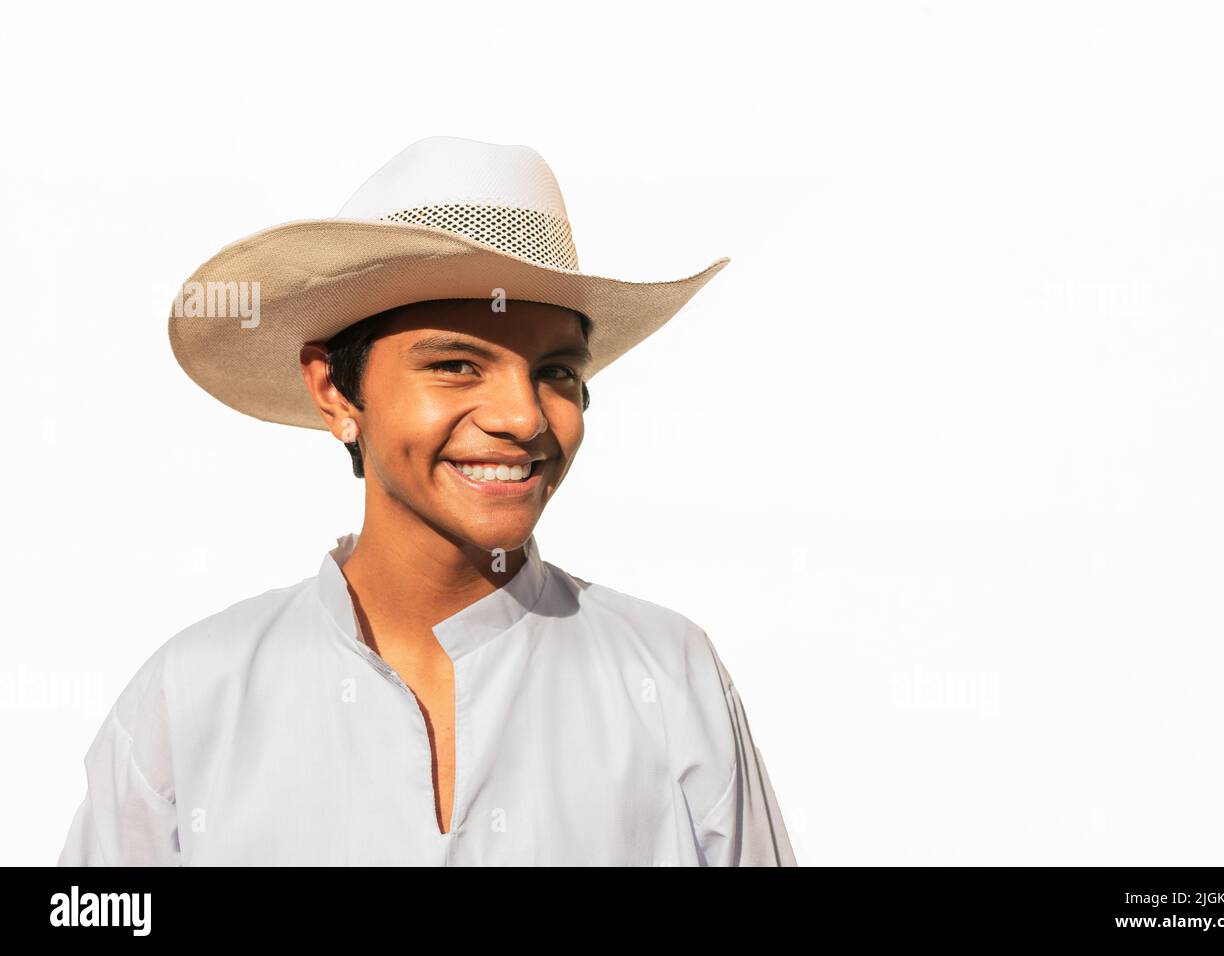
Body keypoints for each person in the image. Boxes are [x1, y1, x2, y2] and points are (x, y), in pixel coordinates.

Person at [57, 135, 796, 866]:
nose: (524, 417)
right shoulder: (194, 698)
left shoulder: (669, 678)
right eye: (455, 365)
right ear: (334, 390)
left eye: (557, 372)